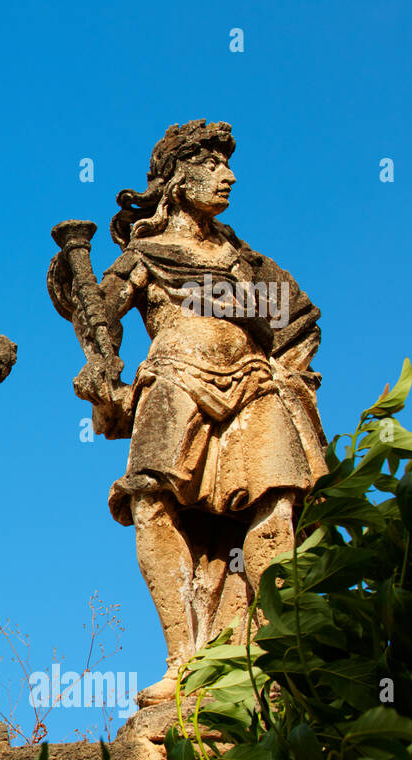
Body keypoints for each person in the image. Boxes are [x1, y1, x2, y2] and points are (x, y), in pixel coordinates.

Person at [49, 120, 327, 705]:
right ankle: (186, 659)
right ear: (176, 178)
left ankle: (272, 648)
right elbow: (98, 316)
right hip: (175, 377)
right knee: (151, 501)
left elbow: (298, 324)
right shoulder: (144, 256)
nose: (228, 176)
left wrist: (291, 376)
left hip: (254, 382)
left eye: (228, 164)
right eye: (212, 164)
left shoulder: (245, 261)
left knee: (277, 503)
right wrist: (99, 358)